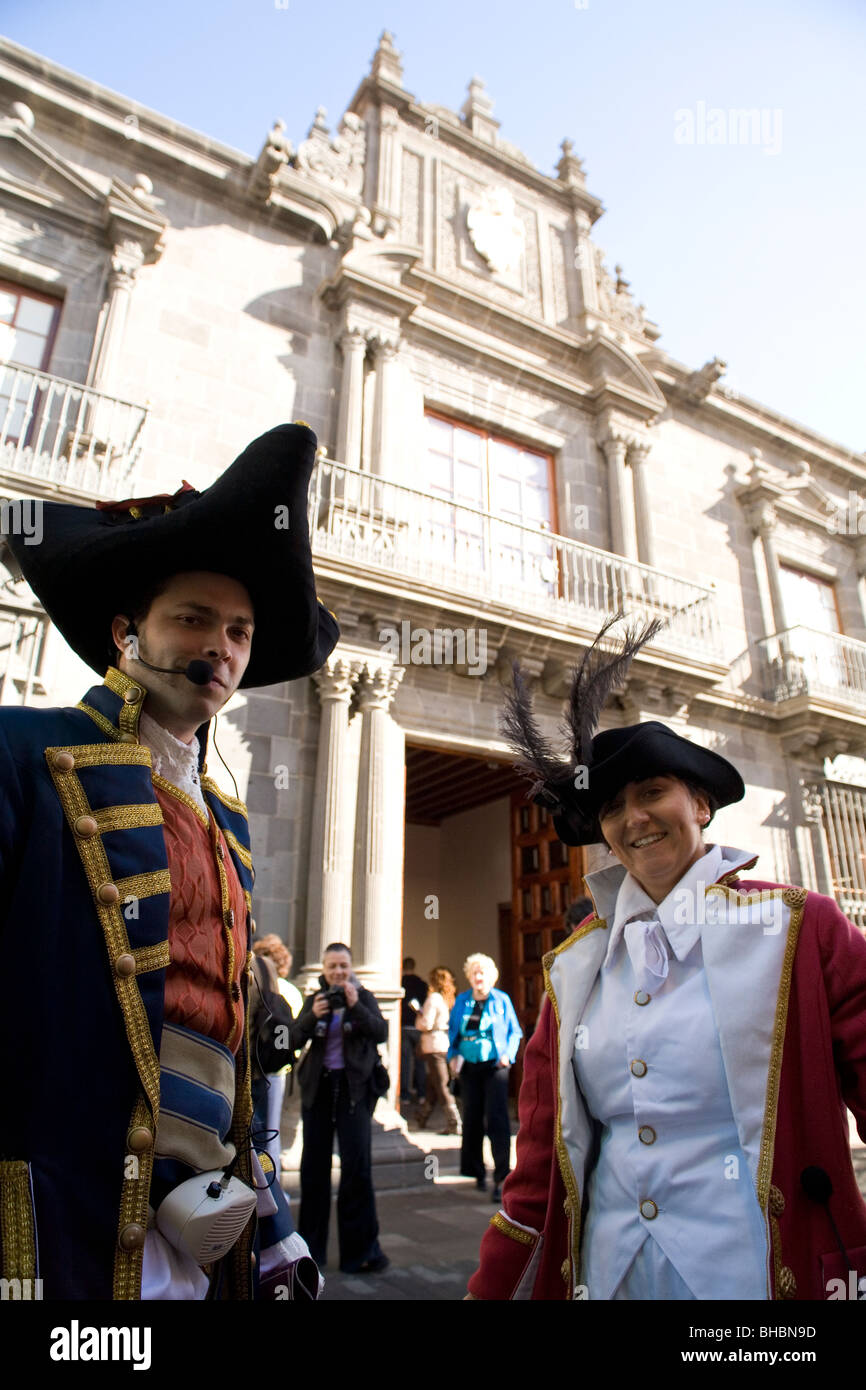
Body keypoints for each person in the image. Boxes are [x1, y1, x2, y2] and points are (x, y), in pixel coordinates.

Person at [0, 422, 339, 1300]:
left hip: (201, 1233)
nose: (220, 646)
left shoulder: (226, 819)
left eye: (238, 629)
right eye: (192, 618)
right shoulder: (24, 754)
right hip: (50, 1225)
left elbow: (222, 1043)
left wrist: (274, 1226)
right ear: (126, 633)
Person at [467, 615, 866, 1300]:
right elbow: (539, 1161)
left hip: (758, 1277)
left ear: (700, 803)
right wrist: (490, 1287)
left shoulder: (805, 930)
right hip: (611, 1274)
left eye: (652, 792)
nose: (635, 818)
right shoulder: (574, 967)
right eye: (614, 807)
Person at [290, 943, 390, 1273]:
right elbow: (291, 1039)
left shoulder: (363, 997)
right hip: (319, 1090)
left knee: (356, 1169)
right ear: (323, 968)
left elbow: (380, 1031)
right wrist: (311, 1016)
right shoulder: (315, 999)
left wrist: (355, 1006)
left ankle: (360, 1252)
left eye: (344, 966)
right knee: (314, 1170)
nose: (338, 972)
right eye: (332, 966)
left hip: (354, 1092)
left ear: (351, 968)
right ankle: (310, 1251)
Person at [449, 954, 522, 1203]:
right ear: (469, 976)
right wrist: (453, 1055)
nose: (478, 977)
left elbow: (515, 1032)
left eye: (483, 973)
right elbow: (453, 1033)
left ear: (491, 976)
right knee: (472, 1118)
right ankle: (476, 1172)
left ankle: (502, 1177)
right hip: (469, 1066)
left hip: (494, 1065)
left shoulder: (501, 1000)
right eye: (474, 973)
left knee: (497, 1118)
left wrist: (508, 1056)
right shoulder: (462, 1001)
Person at [415, 967, 461, 1135]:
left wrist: (419, 1018)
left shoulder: (433, 998)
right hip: (445, 1043)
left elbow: (426, 1023)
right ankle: (422, 1116)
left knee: (441, 1084)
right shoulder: (448, 998)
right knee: (433, 1083)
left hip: (434, 1044)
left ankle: (454, 1122)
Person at [400, 955, 428, 1101]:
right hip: (417, 1025)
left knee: (405, 1062)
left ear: (403, 967)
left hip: (404, 1026)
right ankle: (421, 1093)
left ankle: (404, 1094)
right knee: (420, 1062)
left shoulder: (400, 982)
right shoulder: (422, 984)